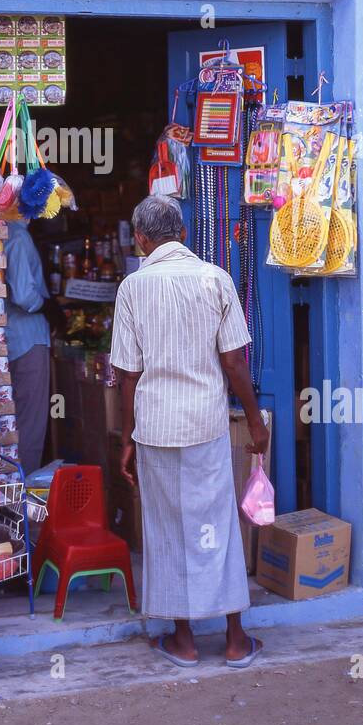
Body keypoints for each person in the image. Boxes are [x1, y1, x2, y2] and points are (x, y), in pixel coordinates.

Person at [110, 194, 270, 669]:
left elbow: (128, 375)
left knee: (166, 532)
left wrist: (125, 438)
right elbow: (234, 362)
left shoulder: (133, 287)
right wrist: (256, 421)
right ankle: (236, 638)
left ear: (141, 240)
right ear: (182, 234)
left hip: (156, 427)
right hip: (205, 424)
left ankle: (184, 641)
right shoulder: (215, 278)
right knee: (217, 526)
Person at [4, 216, 63, 476]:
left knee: (15, 419)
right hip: (28, 340)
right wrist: (47, 306)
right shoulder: (18, 237)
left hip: (14, 338)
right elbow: (24, 295)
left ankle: (16, 482)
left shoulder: (8, 233)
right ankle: (25, 489)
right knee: (30, 422)